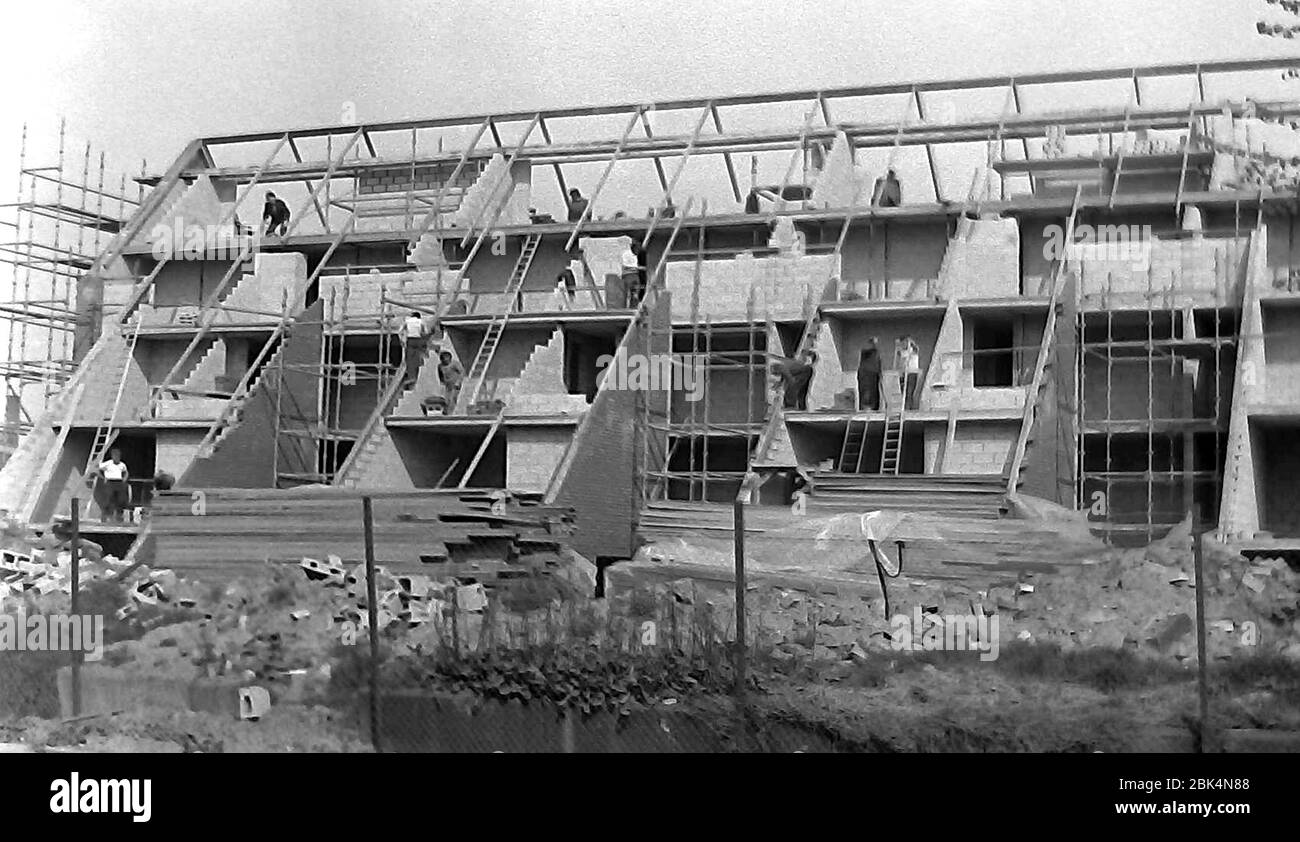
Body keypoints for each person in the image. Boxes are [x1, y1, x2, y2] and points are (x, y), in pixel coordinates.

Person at [99, 448, 130, 523]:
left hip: (119, 482)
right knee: (108, 500)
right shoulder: (108, 463)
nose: (117, 458)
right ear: (112, 456)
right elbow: (97, 469)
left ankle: (119, 518)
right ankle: (105, 517)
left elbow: (126, 472)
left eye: (118, 456)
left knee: (120, 500)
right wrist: (103, 478)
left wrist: (124, 479)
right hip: (110, 482)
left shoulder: (122, 464)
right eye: (115, 456)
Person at [401, 311, 427, 388]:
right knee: (417, 358)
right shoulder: (421, 321)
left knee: (409, 359)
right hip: (418, 340)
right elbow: (424, 332)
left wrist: (402, 340)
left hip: (410, 340)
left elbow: (400, 331)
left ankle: (411, 377)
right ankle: (417, 375)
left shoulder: (407, 321)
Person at [856, 338, 882, 411]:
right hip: (867, 374)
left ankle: (872, 407)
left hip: (874, 374)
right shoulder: (866, 353)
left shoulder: (876, 353)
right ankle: (867, 406)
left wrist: (880, 373)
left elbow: (879, 364)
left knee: (874, 391)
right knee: (867, 391)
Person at [900, 335, 922, 409]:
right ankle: (905, 407)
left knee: (909, 392)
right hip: (904, 373)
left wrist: (911, 343)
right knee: (904, 393)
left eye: (904, 343)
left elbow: (915, 350)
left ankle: (909, 408)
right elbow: (901, 354)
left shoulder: (913, 350)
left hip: (911, 373)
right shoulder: (904, 351)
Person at [620, 242, 641, 309]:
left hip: (632, 275)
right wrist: (636, 268)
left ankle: (632, 307)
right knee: (630, 292)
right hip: (630, 275)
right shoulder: (627, 254)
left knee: (633, 293)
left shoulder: (636, 254)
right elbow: (627, 266)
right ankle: (629, 307)